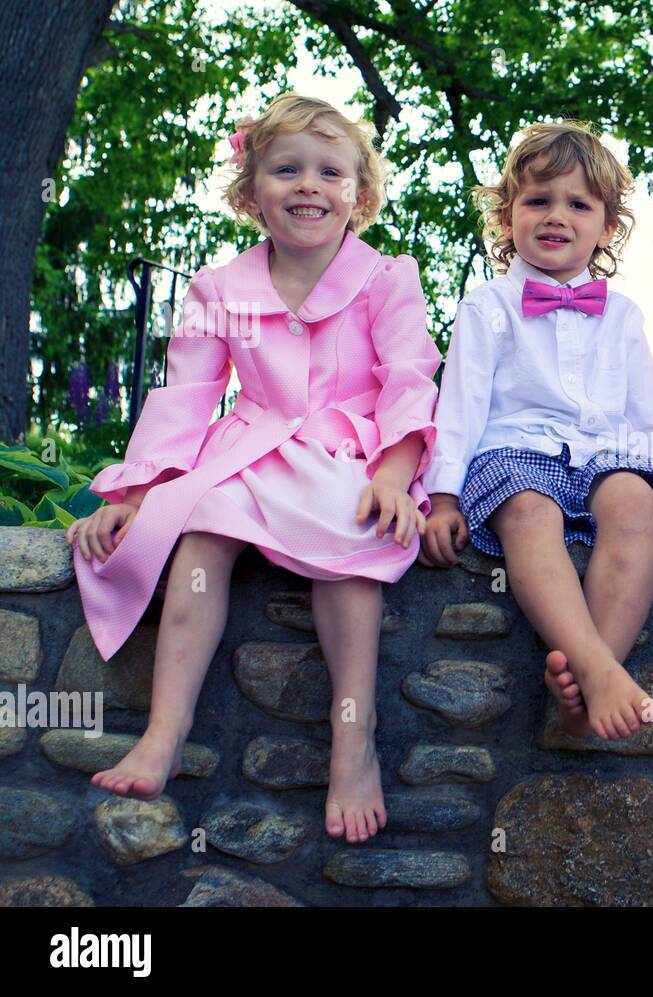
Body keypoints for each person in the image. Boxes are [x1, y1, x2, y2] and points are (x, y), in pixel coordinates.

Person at [67, 94, 440, 844]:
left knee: (350, 536)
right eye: (285, 169)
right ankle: (166, 732)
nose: (308, 184)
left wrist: (396, 472)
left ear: (357, 196)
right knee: (200, 537)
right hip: (248, 445)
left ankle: (352, 738)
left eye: (329, 171)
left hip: (350, 450)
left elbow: (409, 376)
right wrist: (138, 494)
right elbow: (186, 394)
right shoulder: (220, 289)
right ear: (252, 190)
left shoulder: (383, 278)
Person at [420, 121, 653, 741]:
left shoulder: (623, 315)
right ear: (507, 216)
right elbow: (459, 407)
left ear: (606, 227)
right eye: (538, 201)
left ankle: (597, 670)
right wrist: (441, 496)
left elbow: (646, 412)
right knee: (529, 512)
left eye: (578, 204)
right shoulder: (486, 306)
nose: (556, 216)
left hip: (605, 454)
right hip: (516, 453)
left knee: (634, 502)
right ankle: (595, 667)